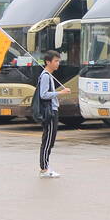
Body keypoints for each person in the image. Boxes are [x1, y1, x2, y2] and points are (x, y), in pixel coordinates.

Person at [37, 50, 70, 178]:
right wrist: (60, 93)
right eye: (55, 61)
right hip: (49, 112)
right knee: (48, 140)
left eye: (58, 61)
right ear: (48, 62)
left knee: (49, 140)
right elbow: (43, 94)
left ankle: (46, 166)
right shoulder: (45, 76)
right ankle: (44, 169)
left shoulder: (49, 75)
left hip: (52, 110)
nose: (58, 64)